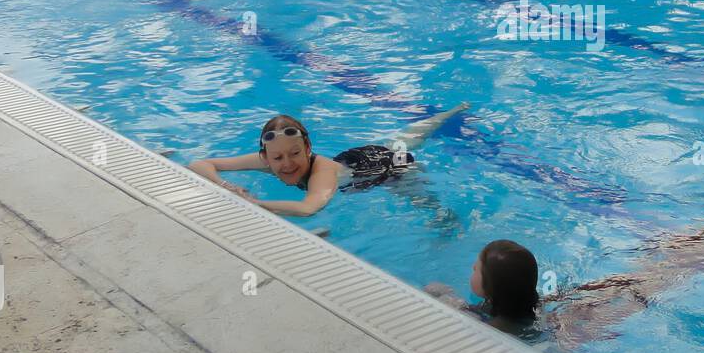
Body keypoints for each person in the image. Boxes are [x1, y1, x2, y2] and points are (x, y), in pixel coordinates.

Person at [188, 104, 468, 217]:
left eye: (296, 154)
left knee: (435, 214)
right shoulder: (268, 159)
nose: (287, 164)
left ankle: (453, 114)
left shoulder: (321, 172)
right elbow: (200, 164)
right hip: (357, 156)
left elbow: (309, 207)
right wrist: (225, 185)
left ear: (308, 149)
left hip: (389, 171)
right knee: (404, 138)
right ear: (266, 157)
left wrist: (255, 204)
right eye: (278, 158)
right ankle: (452, 112)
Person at [424, 240, 541, 334]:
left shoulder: (491, 328)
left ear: (491, 288)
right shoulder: (531, 303)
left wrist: (450, 301)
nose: (473, 266)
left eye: (477, 269)